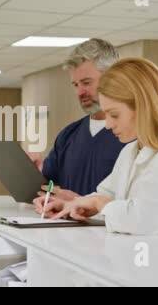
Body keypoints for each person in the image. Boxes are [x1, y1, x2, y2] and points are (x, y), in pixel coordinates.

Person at [38, 58, 158, 248]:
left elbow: (140, 220)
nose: (109, 124)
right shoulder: (131, 151)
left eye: (114, 115)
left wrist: (99, 203)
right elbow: (104, 196)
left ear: (143, 107)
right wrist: (72, 206)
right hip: (134, 266)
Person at [28, 38, 126, 203]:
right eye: (75, 85)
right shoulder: (68, 135)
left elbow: (138, 207)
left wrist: (81, 203)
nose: (80, 92)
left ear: (113, 78)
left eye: (86, 83)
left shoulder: (134, 136)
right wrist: (34, 173)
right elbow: (49, 186)